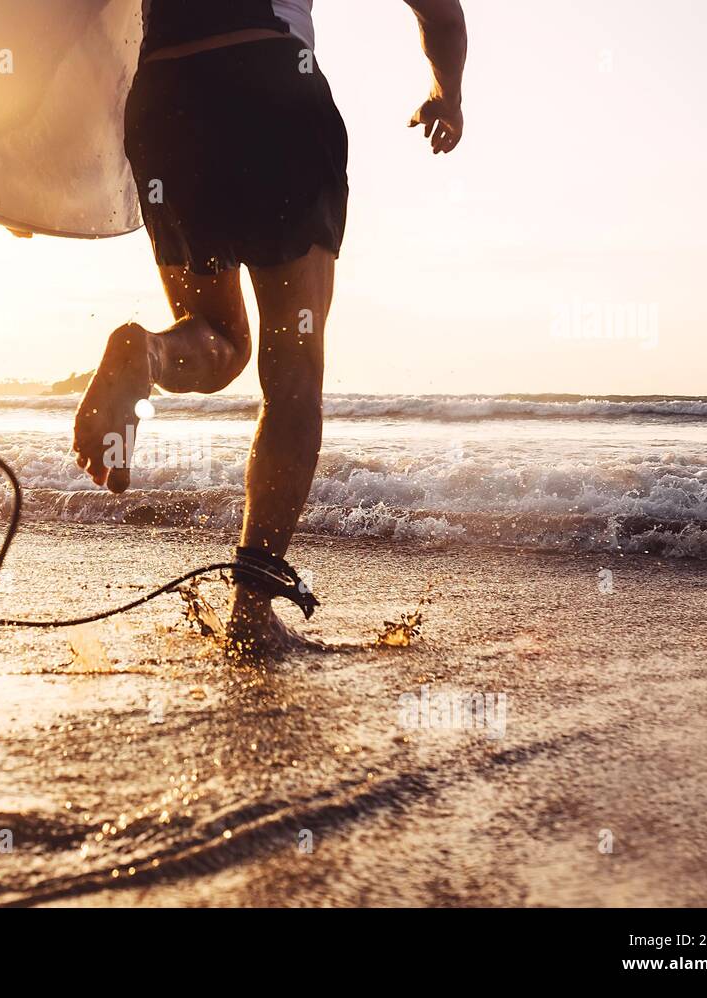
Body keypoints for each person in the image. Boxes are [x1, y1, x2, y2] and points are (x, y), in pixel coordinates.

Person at [73, 0, 468, 653]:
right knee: (292, 375)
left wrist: (29, 171)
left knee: (213, 337)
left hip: (167, 95)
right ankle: (250, 612)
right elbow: (441, 14)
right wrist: (445, 94)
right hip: (276, 84)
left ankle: (145, 354)